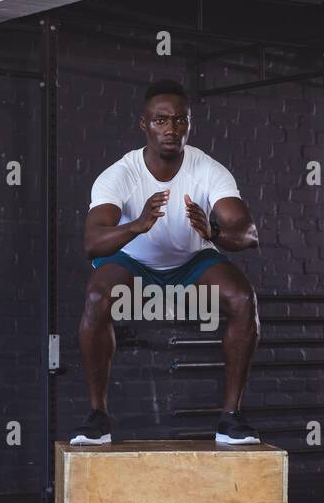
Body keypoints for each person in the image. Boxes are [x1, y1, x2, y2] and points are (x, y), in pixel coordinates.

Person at [72, 80, 261, 446]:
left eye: (179, 121)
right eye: (161, 121)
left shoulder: (208, 170)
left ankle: (230, 418)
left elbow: (249, 234)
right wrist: (138, 225)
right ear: (144, 124)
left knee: (241, 298)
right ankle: (98, 416)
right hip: (134, 262)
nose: (171, 129)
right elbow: (92, 243)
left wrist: (215, 233)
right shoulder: (121, 174)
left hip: (192, 260)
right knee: (97, 297)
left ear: (189, 125)